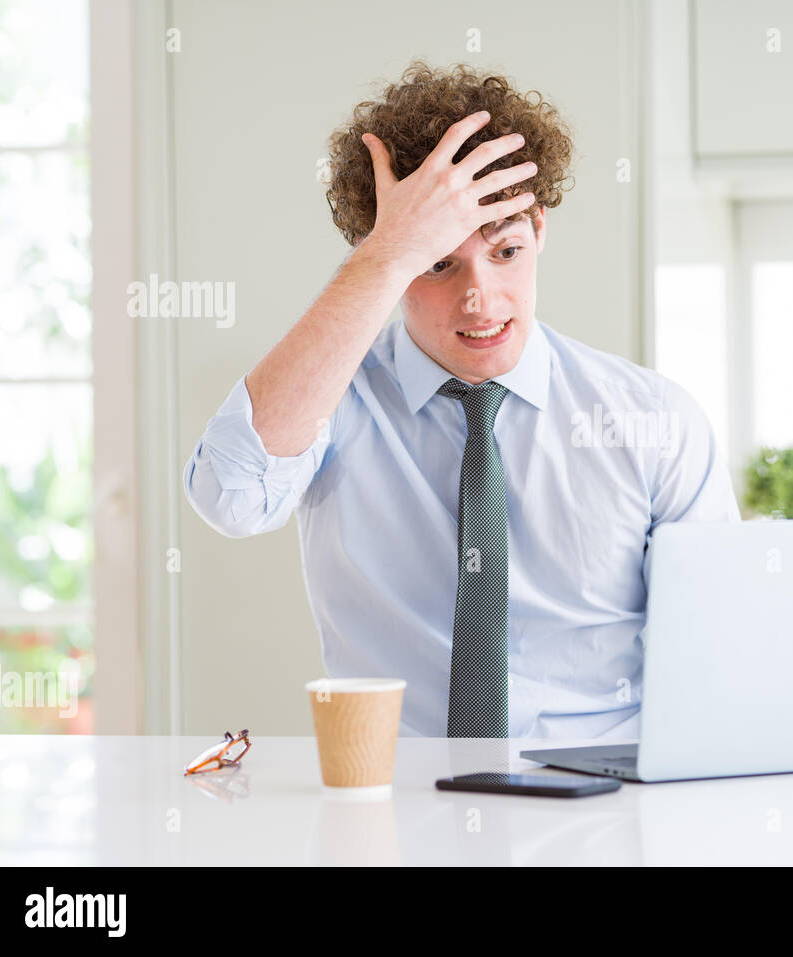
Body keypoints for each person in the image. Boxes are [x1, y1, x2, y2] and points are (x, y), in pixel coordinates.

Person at [183, 60, 739, 740]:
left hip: (605, 808)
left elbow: (720, 654)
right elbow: (229, 496)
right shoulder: (337, 402)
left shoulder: (652, 419)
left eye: (505, 251)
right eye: (437, 262)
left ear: (539, 229)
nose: (479, 297)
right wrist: (387, 255)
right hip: (397, 806)